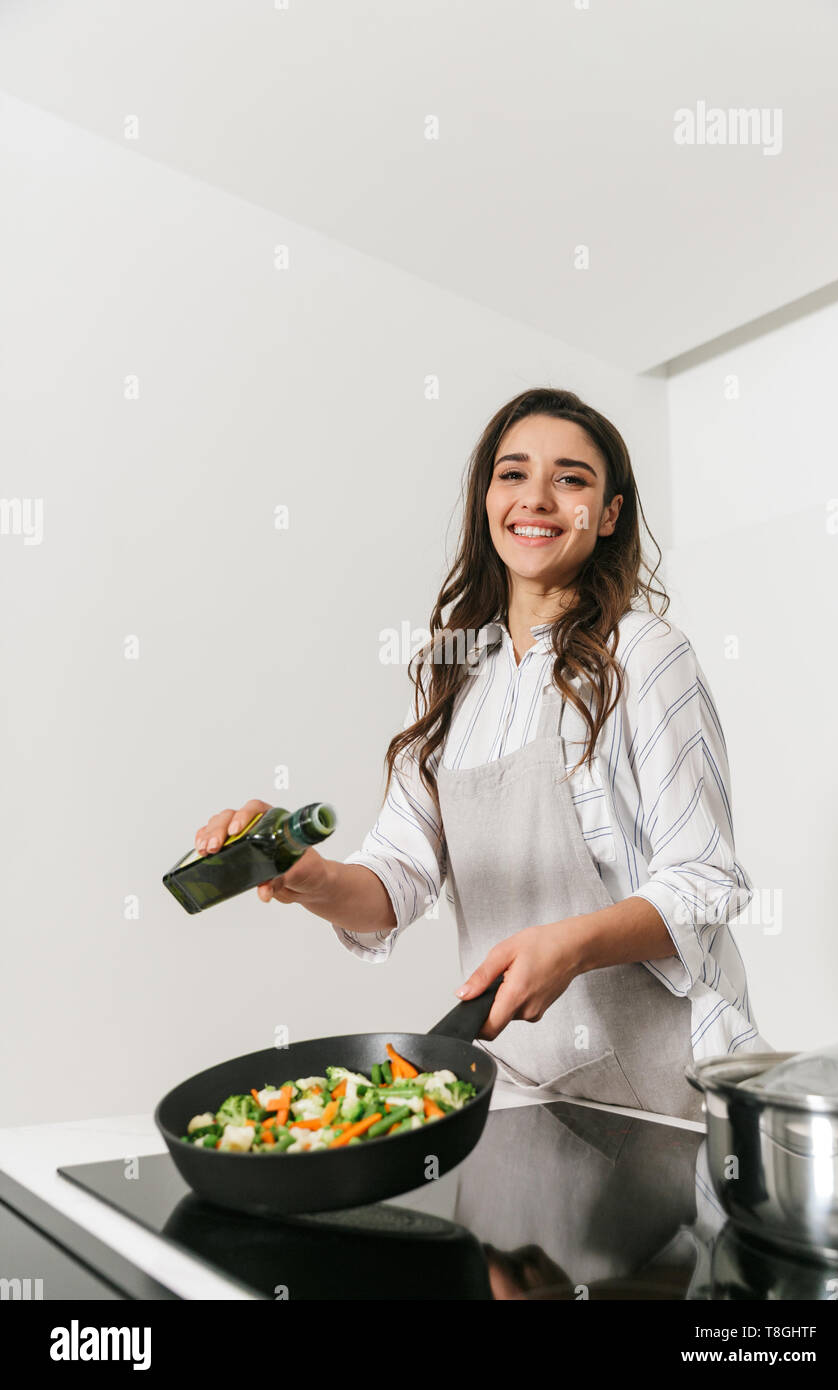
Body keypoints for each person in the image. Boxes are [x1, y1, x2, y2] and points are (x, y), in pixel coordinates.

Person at [193, 387, 770, 1122]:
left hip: (678, 1088)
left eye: (570, 478)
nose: (537, 499)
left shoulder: (647, 654)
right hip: (533, 1084)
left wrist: (569, 944)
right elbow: (397, 877)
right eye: (512, 473)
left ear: (610, 513)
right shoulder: (450, 674)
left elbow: (705, 882)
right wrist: (310, 876)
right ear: (485, 498)